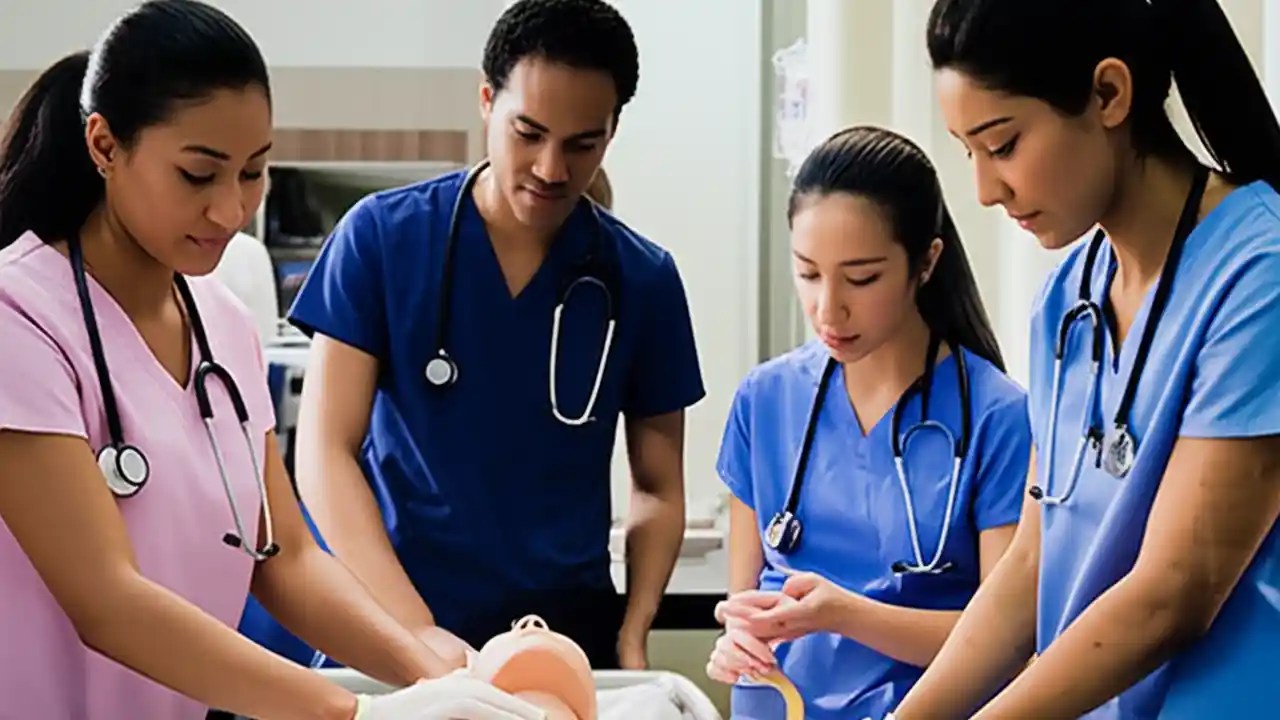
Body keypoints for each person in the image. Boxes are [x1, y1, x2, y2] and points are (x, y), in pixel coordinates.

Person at [0, 2, 549, 718]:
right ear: (104, 145)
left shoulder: (223, 324)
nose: (230, 211)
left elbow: (283, 556)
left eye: (253, 173)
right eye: (198, 175)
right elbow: (106, 598)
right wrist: (358, 713)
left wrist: (433, 672)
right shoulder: (21, 317)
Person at [257, 0, 705, 673]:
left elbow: (658, 490)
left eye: (583, 143)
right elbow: (325, 453)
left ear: (612, 133)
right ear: (487, 99)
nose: (552, 168)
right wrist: (414, 630)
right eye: (529, 132)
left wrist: (635, 632)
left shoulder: (642, 281)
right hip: (391, 632)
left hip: (562, 645)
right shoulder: (382, 240)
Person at [886, 0, 1280, 718]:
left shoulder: (1260, 275)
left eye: (1002, 146)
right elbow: (1030, 565)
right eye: (966, 150)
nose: (984, 190)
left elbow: (1174, 592)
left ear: (1108, 94)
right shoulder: (1068, 302)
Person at [705, 126, 1032, 719]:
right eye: (807, 274)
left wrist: (843, 613)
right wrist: (737, 643)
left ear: (926, 262)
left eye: (861, 278)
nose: (829, 309)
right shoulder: (765, 402)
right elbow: (745, 602)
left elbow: (1006, 642)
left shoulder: (997, 419)